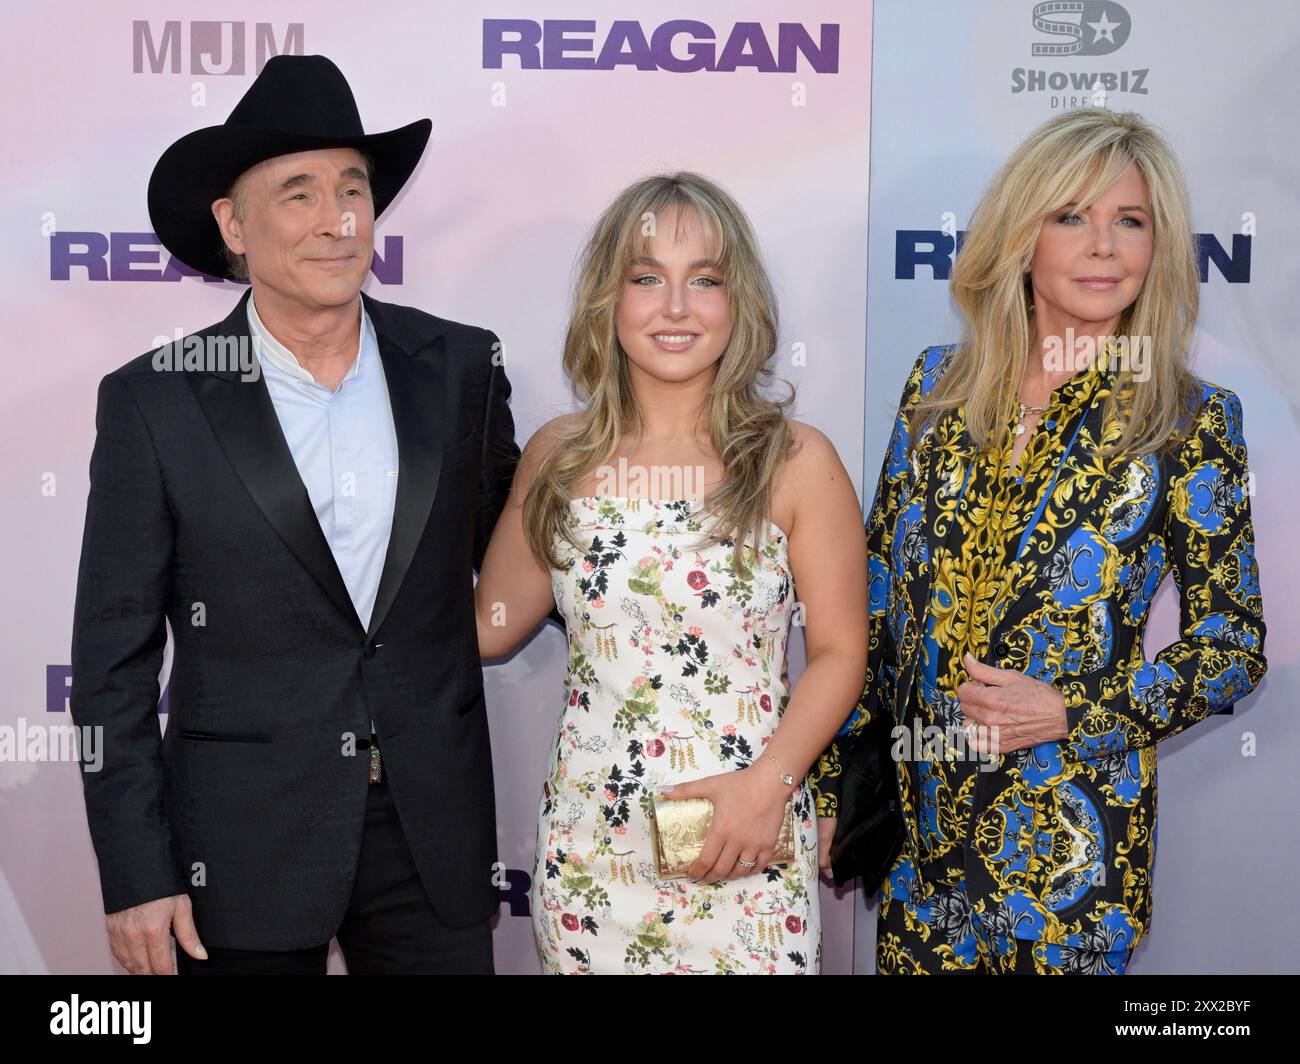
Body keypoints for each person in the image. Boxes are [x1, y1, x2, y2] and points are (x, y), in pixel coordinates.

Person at [69, 55, 519, 974]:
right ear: (232, 225)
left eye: (352, 188)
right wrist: (135, 871)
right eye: (298, 192)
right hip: (235, 848)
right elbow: (110, 665)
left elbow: (530, 562)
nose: (335, 219)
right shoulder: (155, 401)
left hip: (431, 833)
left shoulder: (461, 368)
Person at [812, 108, 1267, 975]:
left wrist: (1075, 712)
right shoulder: (936, 391)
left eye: (1130, 222)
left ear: (1157, 248)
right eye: (1073, 216)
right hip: (920, 854)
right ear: (1021, 237)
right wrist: (838, 787)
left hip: (1070, 857)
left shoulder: (1189, 419)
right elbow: (873, 610)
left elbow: (1233, 646)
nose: (1105, 246)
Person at [473, 173, 868, 973]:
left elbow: (839, 654)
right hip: (594, 853)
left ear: (739, 301)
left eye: (706, 281)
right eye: (646, 278)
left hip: (746, 834)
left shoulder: (795, 460)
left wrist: (770, 787)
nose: (676, 306)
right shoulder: (559, 456)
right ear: (607, 302)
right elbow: (490, 626)